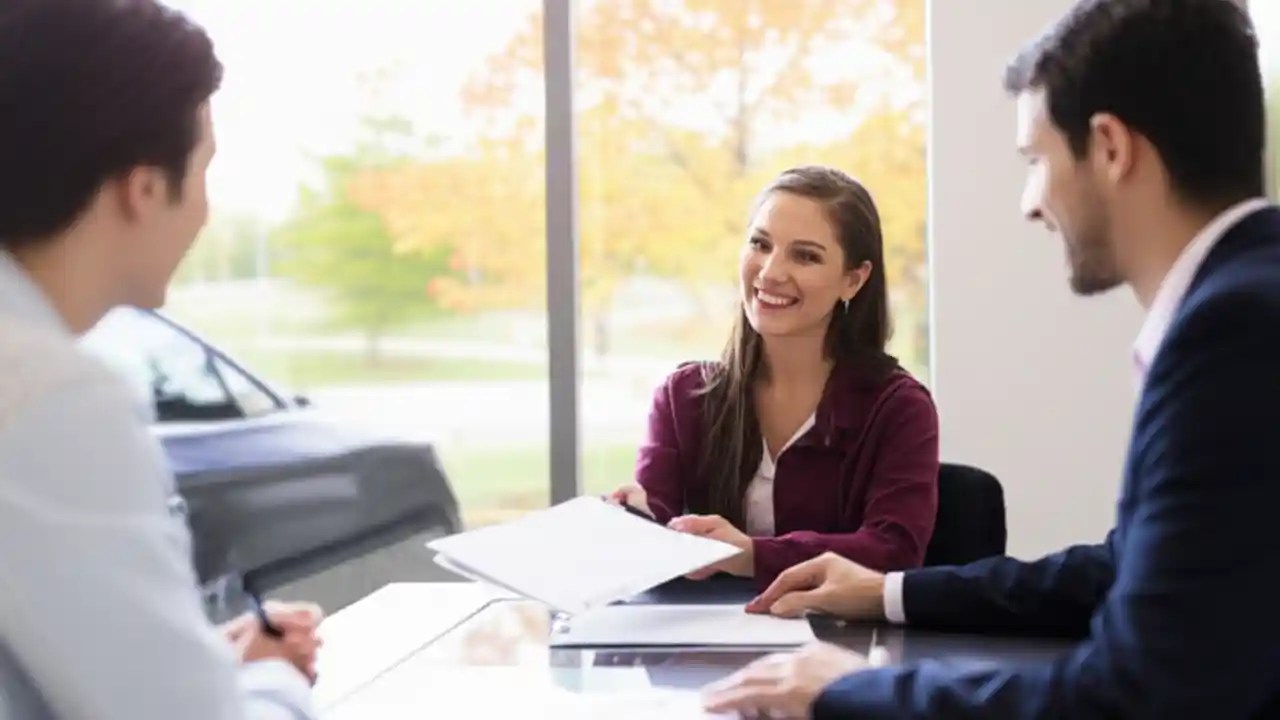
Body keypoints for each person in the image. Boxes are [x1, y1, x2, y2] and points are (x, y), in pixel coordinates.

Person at [701, 0, 1280, 717]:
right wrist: (888, 591)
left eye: (1036, 161)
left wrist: (853, 690)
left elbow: (1141, 693)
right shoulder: (1249, 302)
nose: (1030, 204)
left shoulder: (1235, 331)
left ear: (1110, 149)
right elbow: (1123, 566)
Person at [0, 1, 323, 718]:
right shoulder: (50, 396)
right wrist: (275, 686)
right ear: (143, 188)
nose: (206, 210)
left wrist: (202, 663)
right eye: (204, 169)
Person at [609, 165, 940, 588]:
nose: (769, 272)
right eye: (760, 244)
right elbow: (657, 529)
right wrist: (635, 518)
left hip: (839, 647)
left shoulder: (899, 409)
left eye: (805, 255)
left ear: (853, 280)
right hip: (702, 648)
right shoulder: (682, 397)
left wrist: (751, 555)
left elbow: (894, 550)